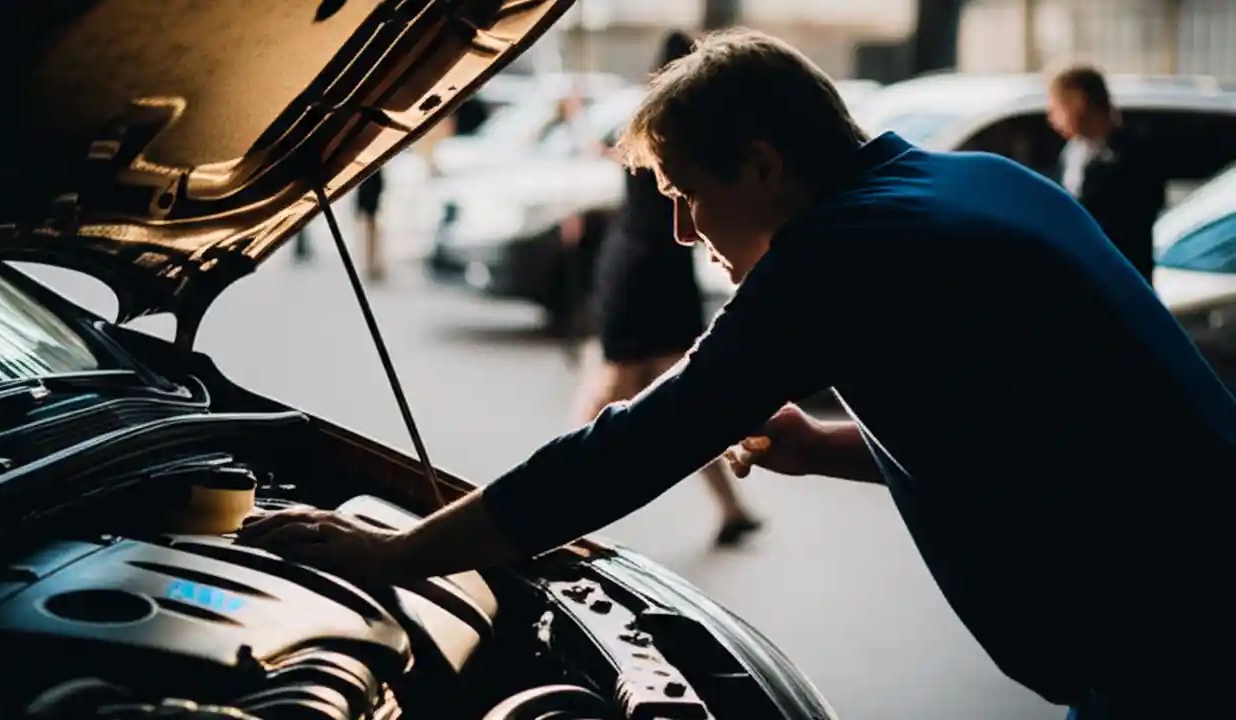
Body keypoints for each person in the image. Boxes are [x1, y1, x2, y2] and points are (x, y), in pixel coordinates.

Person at [238, 29, 1233, 719]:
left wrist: (390, 557)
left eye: (685, 193)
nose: (679, 229)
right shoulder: (966, 182)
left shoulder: (835, 256)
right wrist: (820, 447)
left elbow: (627, 451)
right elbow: (1010, 434)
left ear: (759, 166)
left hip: (1174, 654)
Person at [573, 28, 761, 547]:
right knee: (660, 393)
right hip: (655, 270)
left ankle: (561, 496)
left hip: (633, 263)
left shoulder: (645, 121)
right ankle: (562, 501)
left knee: (637, 392)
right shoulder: (690, 129)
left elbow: (616, 157)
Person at [1046, 64, 1167, 283]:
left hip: (1124, 276)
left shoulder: (1134, 151)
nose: (1052, 118)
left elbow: (1136, 215)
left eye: (1057, 108)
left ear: (1078, 102)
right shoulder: (1072, 153)